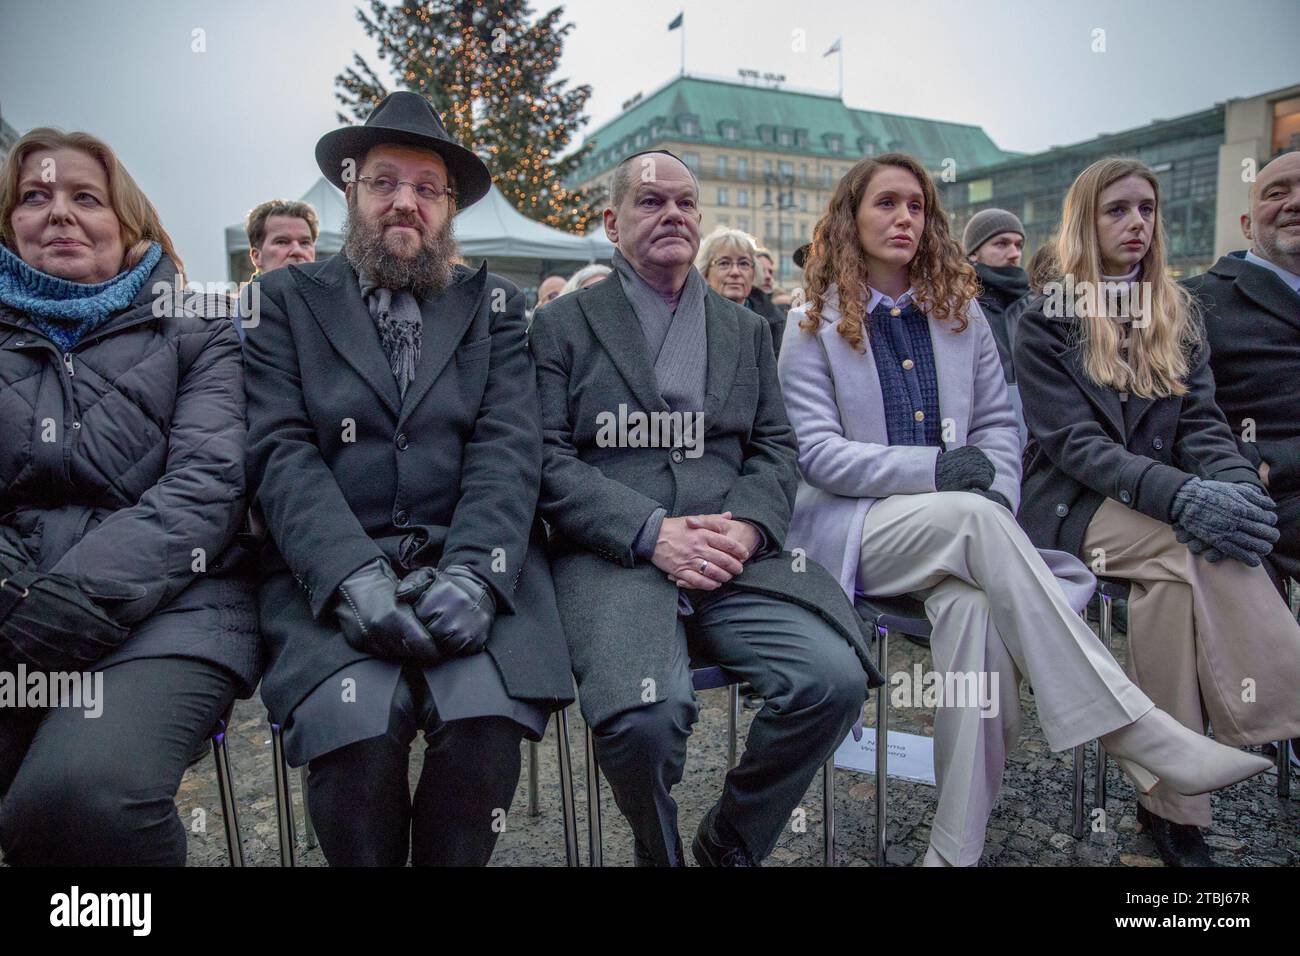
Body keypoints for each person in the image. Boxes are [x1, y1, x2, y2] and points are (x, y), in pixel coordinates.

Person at [779, 151, 1272, 868]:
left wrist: (993, 491)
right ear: (850, 217)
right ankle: (1136, 729)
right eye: (886, 203)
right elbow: (817, 455)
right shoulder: (809, 322)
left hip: (967, 537)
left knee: (978, 621)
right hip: (860, 528)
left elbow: (1002, 433)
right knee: (974, 520)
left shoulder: (962, 314)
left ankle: (952, 854)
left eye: (917, 206)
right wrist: (940, 471)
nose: (905, 218)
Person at [243, 91, 574, 867]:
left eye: (427, 189)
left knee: (484, 729)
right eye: (384, 182)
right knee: (356, 732)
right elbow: (279, 450)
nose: (405, 202)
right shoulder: (281, 303)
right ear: (351, 192)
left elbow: (508, 445)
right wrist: (350, 574)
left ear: (448, 207)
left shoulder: (495, 306)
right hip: (324, 574)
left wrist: (481, 575)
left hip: (473, 560)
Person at [530, 148, 881, 867]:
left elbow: (777, 447)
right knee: (645, 721)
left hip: (731, 549)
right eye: (651, 202)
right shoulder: (561, 325)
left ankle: (728, 843)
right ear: (611, 221)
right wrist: (648, 530)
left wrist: (750, 526)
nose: (673, 215)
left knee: (831, 682)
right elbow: (542, 458)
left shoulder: (746, 329)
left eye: (686, 203)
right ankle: (658, 855)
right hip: (615, 553)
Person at [1014, 156, 1300, 866]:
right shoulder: (1044, 315)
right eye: (1117, 210)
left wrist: (1239, 490)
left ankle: (1174, 809)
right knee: (1189, 546)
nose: (1137, 223)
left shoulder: (1177, 308)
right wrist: (1187, 497)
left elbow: (1204, 425)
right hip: (1070, 503)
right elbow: (1074, 444)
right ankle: (1287, 715)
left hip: (1162, 504)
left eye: (1147, 208)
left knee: (1177, 580)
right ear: (1085, 219)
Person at [0, 128, 261, 865]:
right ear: (9, 222)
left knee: (81, 801)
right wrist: (14, 598)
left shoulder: (199, 329)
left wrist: (71, 596)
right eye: (34, 198)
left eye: (86, 197)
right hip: (9, 607)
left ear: (129, 223)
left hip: (171, 607)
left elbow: (208, 486)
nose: (59, 214)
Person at [1185, 150, 1300, 596]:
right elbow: (1174, 415)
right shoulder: (1193, 301)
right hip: (1265, 493)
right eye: (1277, 193)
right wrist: (1254, 465)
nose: (1294, 203)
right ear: (1247, 225)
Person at [695, 226, 786, 359]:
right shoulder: (691, 319)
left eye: (743, 264)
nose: (735, 272)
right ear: (705, 273)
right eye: (724, 263)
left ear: (754, 273)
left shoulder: (775, 324)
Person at [964, 208, 1031, 386]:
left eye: (1018, 245)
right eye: (1002, 244)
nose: (1014, 253)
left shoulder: (1035, 307)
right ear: (973, 252)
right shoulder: (957, 307)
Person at [247, 198, 318, 277]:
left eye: (305, 243)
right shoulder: (253, 289)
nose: (297, 251)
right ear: (256, 256)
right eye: (282, 242)